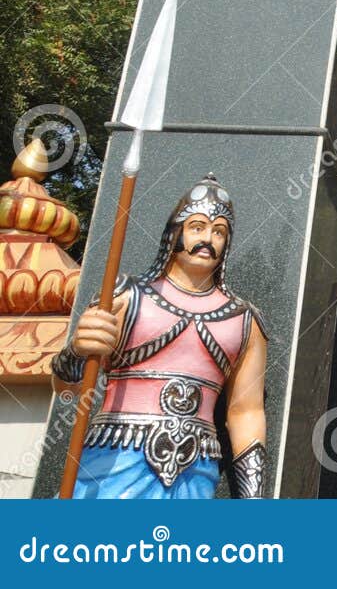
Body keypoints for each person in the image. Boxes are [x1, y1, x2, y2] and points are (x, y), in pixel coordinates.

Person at [51, 173, 268, 498]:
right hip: (115, 458)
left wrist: (254, 501)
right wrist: (77, 352)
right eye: (197, 226)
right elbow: (68, 393)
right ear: (174, 231)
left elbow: (245, 412)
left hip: (196, 467)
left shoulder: (244, 320)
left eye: (219, 231)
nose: (208, 237)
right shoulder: (123, 297)